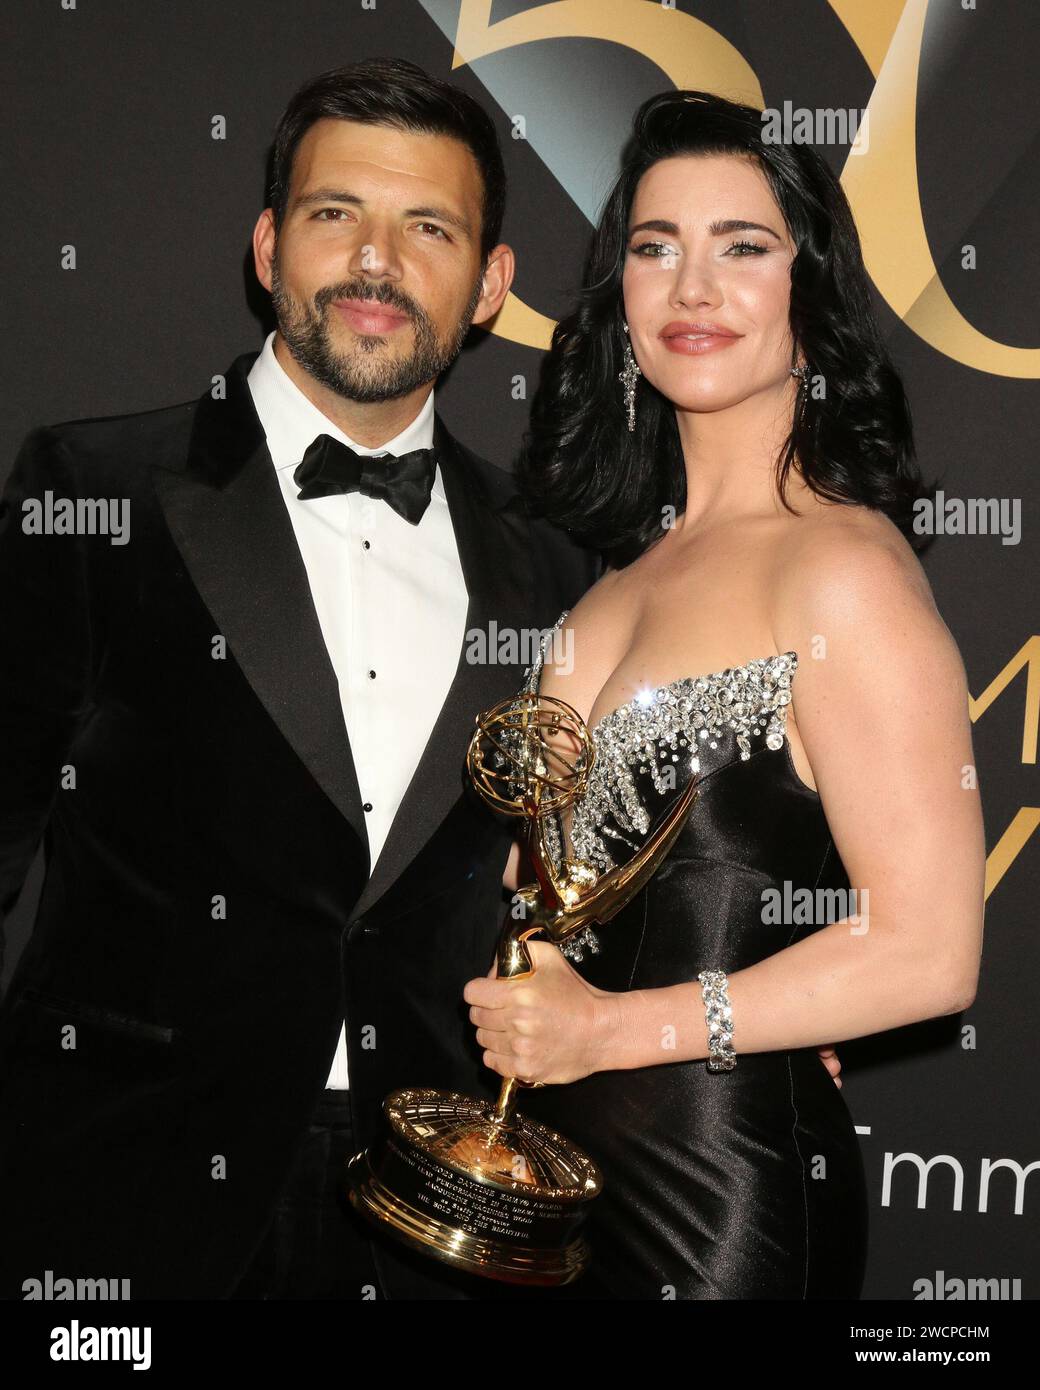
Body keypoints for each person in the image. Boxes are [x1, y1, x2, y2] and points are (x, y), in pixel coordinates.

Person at [0, 57, 597, 1301]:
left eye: (426, 227)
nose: (376, 262)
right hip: (119, 1192)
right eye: (337, 216)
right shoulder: (93, 490)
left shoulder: (550, 561)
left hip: (433, 1213)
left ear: (491, 284)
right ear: (269, 245)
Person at [464, 90, 985, 1300]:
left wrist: (611, 1030)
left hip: (725, 1196)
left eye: (741, 247)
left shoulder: (842, 569)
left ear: (809, 298)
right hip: (555, 1191)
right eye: (655, 249)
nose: (691, 288)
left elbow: (929, 952)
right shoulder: (605, 594)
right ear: (619, 302)